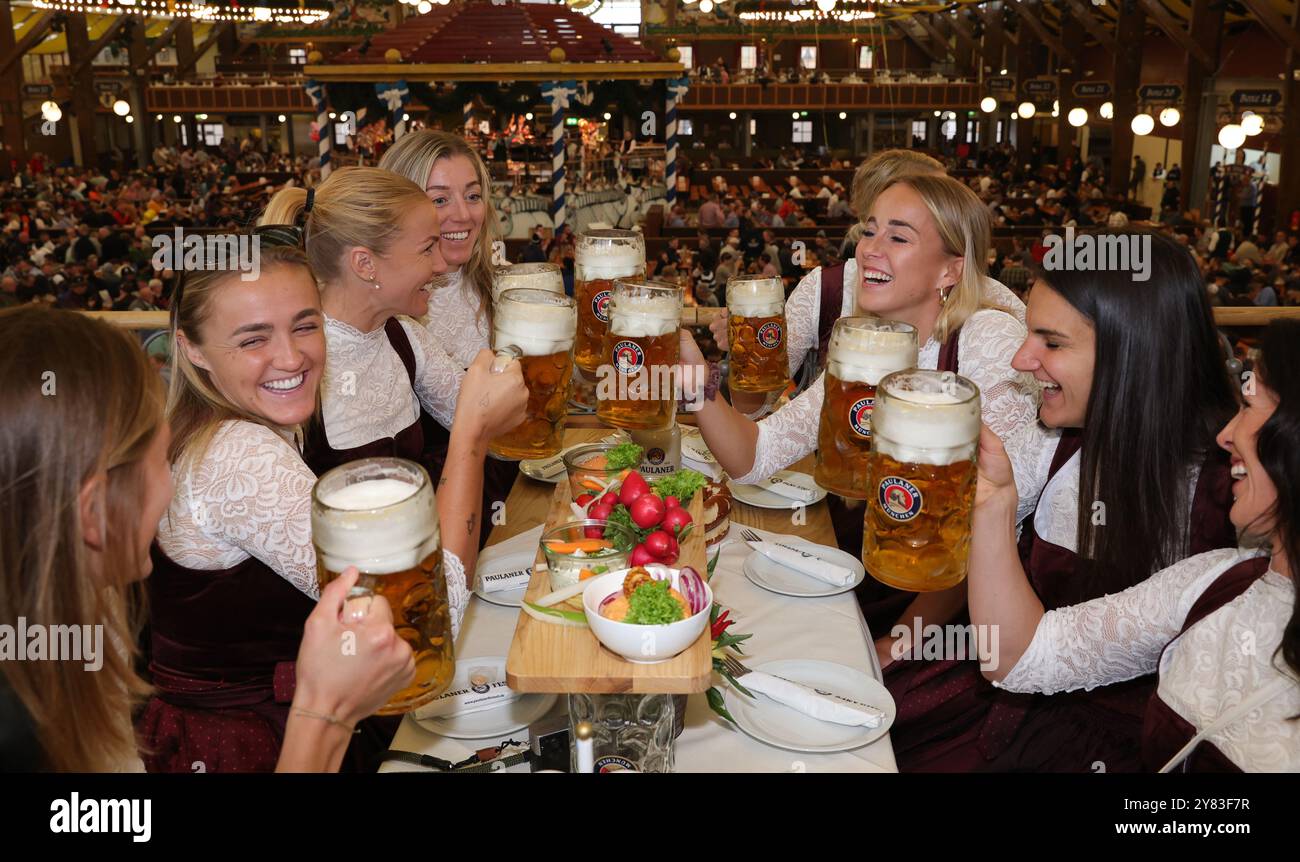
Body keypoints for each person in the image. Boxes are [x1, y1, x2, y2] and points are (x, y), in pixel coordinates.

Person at [884, 229, 1239, 772]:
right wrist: (902, 640)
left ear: (1135, 354)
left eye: (1051, 342)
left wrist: (994, 509)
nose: (1022, 360)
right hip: (991, 685)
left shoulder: (1227, 501)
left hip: (1096, 748)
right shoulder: (1054, 439)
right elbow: (946, 546)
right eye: (1028, 333)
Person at [0, 306, 412, 773]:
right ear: (94, 513)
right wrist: (325, 714)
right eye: (160, 463)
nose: (171, 488)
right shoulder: (23, 734)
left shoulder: (77, 623)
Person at [680, 174, 1038, 623]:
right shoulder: (871, 343)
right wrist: (697, 383)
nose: (870, 248)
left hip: (956, 608)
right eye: (869, 231)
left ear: (950, 270)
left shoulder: (989, 339)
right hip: (866, 569)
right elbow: (754, 454)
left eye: (898, 236)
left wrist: (899, 644)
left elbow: (985, 527)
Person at [969, 319, 1300, 772]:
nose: (1226, 435)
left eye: (1248, 407)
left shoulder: (1213, 523)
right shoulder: (1220, 579)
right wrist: (994, 503)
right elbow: (1020, 655)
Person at [712, 149, 1025, 417]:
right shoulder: (826, 288)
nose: (952, 208)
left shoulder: (993, 308)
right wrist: (746, 354)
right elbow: (755, 409)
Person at [379, 131, 501, 370]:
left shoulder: (507, 287)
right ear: (395, 210)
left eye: (472, 196)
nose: (463, 215)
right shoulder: (378, 305)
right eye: (439, 200)